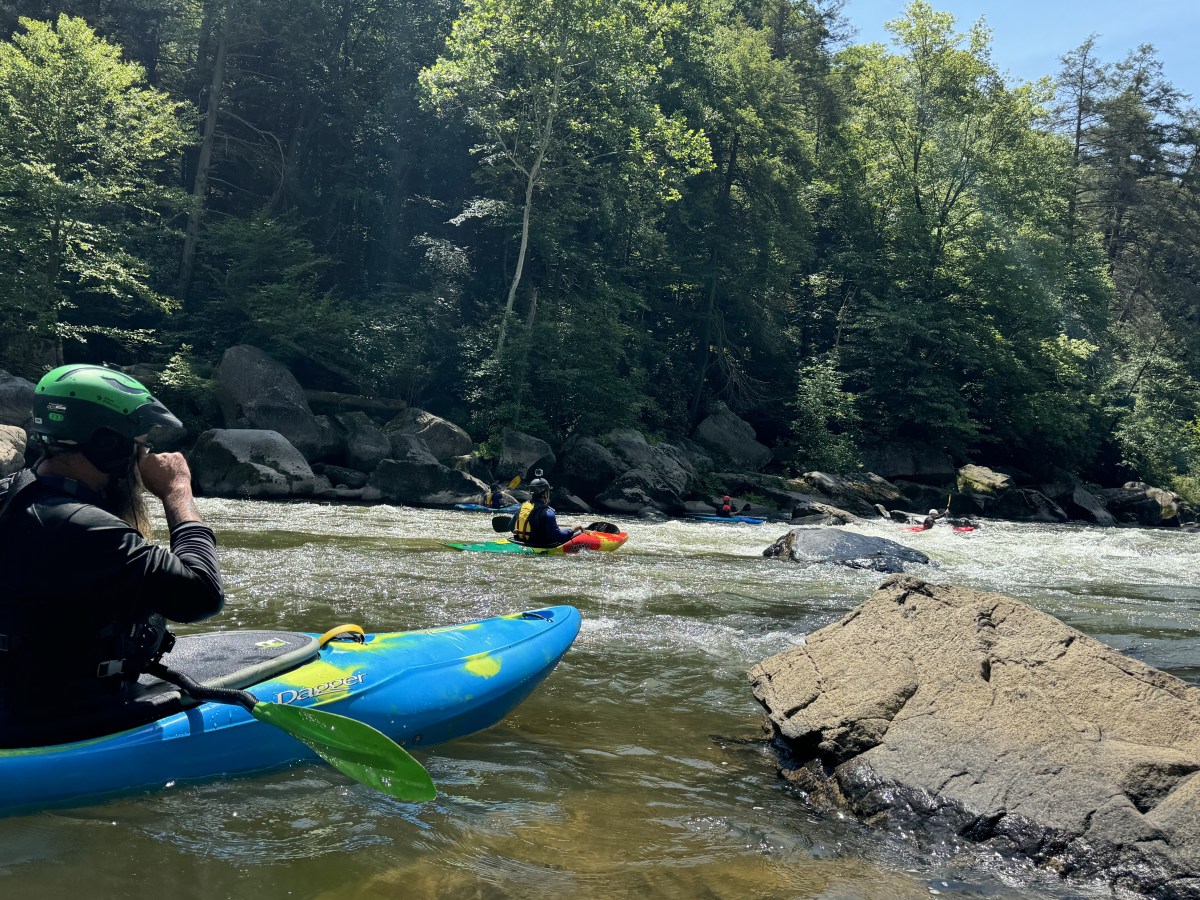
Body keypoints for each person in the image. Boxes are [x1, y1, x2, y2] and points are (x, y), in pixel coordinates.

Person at [0, 364, 225, 739]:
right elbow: (201, 596)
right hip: (59, 720)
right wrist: (177, 493)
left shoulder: (10, 495)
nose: (142, 456)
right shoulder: (85, 527)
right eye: (139, 443)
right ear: (108, 444)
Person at [510, 473, 583, 548]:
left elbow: (511, 528)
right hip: (540, 545)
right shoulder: (547, 512)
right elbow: (557, 537)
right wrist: (572, 529)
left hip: (522, 542)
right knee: (580, 533)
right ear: (545, 493)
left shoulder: (522, 508)